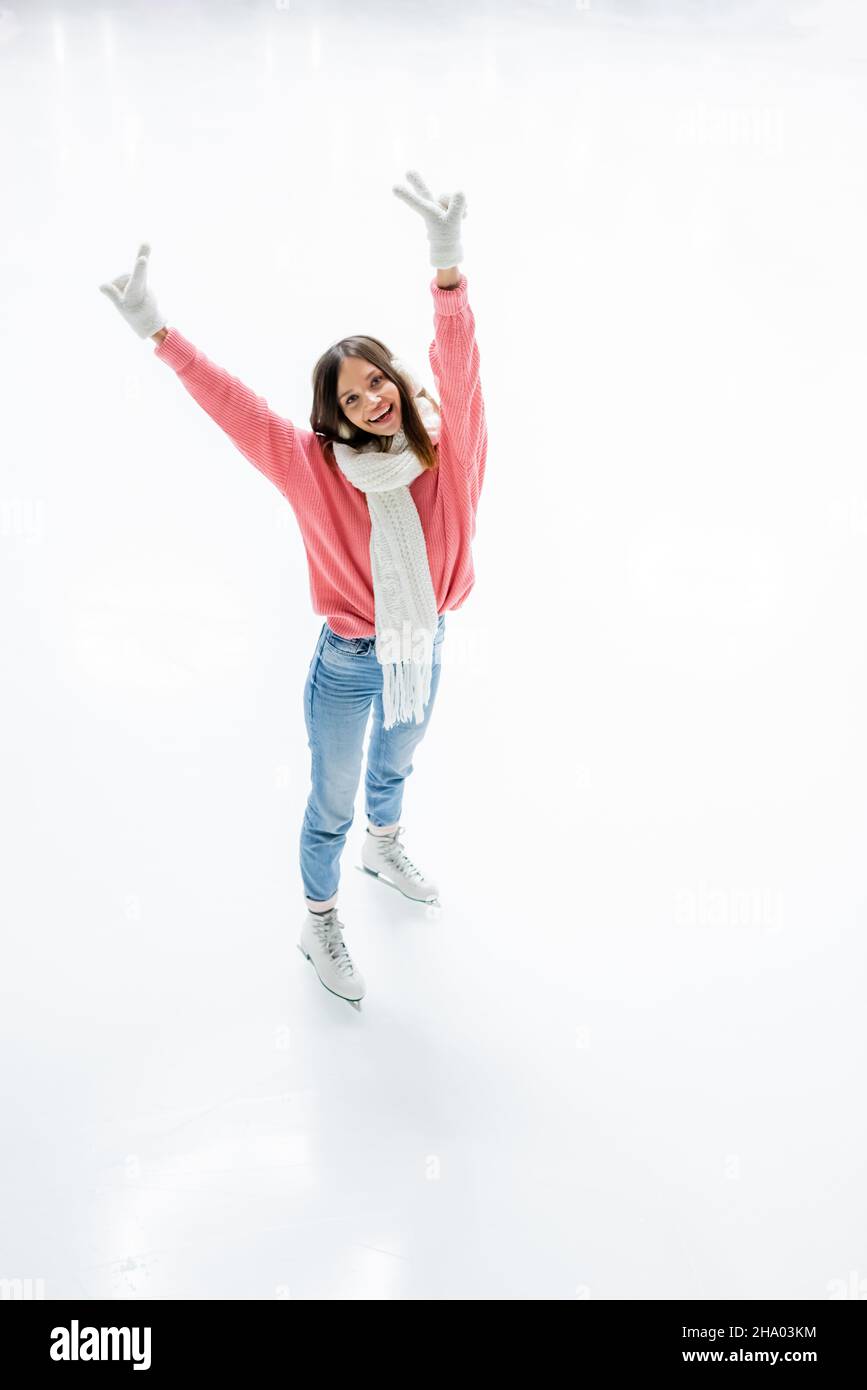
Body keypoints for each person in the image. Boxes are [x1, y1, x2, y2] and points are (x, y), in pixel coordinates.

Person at [99, 169, 487, 1010]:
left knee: (399, 762)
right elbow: (233, 404)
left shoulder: (450, 451)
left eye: (376, 380)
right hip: (349, 664)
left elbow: (458, 365)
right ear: (335, 417)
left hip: (423, 646)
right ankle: (320, 921)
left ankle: (386, 845)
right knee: (332, 800)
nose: (372, 400)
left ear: (393, 378)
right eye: (350, 398)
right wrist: (158, 334)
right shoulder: (314, 471)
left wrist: (446, 266)